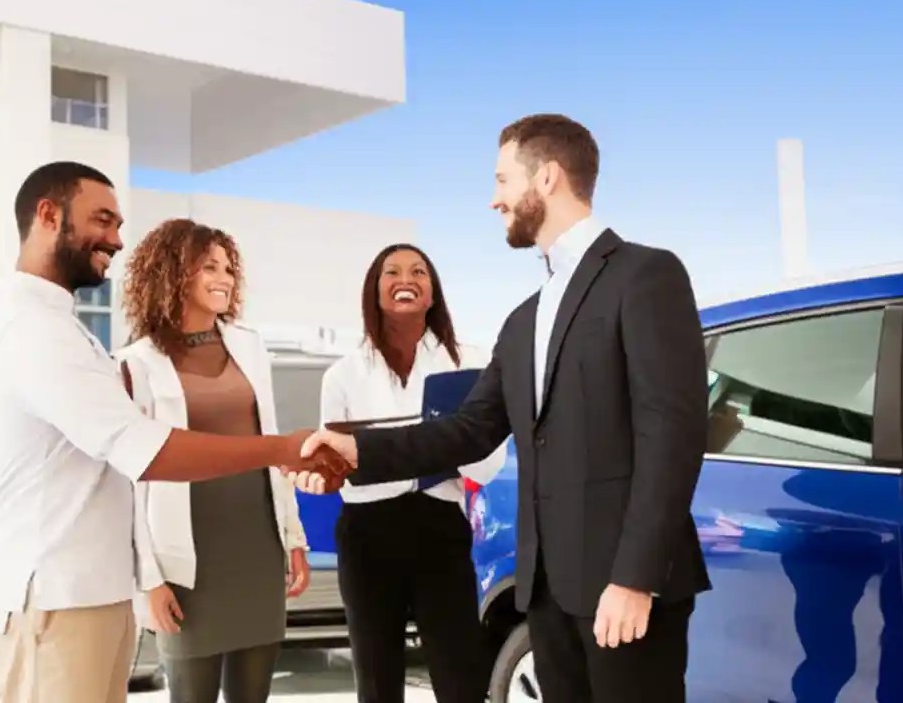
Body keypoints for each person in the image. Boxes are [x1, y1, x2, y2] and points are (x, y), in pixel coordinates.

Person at [297, 114, 710, 702]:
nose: (493, 201)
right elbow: (469, 430)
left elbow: (672, 433)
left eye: (501, 181)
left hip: (623, 589)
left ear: (546, 178)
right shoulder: (523, 321)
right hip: (546, 594)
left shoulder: (646, 275)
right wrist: (356, 449)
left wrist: (634, 577)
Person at [0, 161, 347, 703]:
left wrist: (289, 529)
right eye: (103, 220)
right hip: (52, 598)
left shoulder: (61, 328)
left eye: (120, 225)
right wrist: (284, 450)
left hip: (88, 594)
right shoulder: (33, 330)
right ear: (48, 215)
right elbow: (143, 452)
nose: (117, 240)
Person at [115, 218, 311, 703]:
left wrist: (294, 536)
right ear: (173, 272)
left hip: (257, 548)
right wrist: (149, 579)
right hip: (186, 565)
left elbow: (270, 444)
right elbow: (132, 481)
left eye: (228, 267)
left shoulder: (250, 344)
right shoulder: (137, 363)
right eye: (209, 267)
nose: (224, 278)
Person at [317, 243, 505, 702]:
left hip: (440, 529)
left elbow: (490, 460)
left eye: (420, 271)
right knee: (377, 677)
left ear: (433, 291)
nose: (407, 278)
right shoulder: (342, 375)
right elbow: (333, 465)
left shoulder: (468, 364)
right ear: (374, 290)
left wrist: (446, 445)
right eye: (393, 271)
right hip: (367, 534)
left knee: (461, 673)